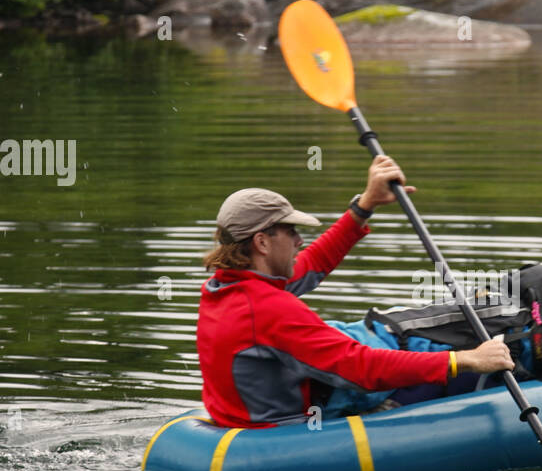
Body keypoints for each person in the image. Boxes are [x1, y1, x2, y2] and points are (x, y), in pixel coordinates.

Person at [198, 155, 514, 429]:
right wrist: (464, 360)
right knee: (458, 373)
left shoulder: (226, 287)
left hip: (260, 410)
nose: (299, 241)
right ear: (262, 243)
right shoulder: (268, 310)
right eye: (290, 231)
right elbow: (360, 368)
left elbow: (311, 263)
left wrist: (365, 205)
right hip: (293, 426)